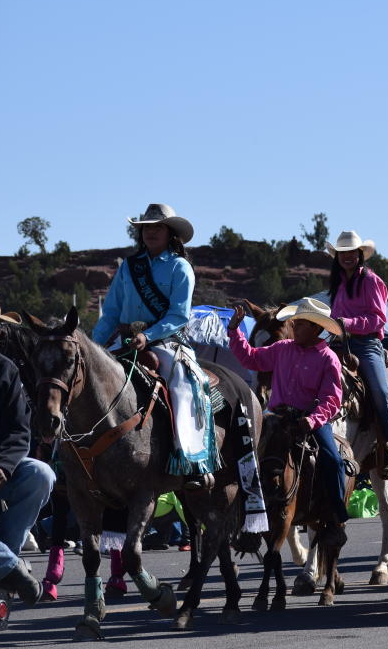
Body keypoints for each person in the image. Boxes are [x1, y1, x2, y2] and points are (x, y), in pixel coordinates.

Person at [91, 204, 216, 487]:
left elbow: (178, 314)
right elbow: (111, 313)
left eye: (157, 226)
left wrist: (148, 336)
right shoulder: (129, 268)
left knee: (185, 386)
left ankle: (191, 459)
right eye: (147, 227)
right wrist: (92, 346)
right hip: (125, 342)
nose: (151, 232)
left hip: (166, 342)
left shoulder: (180, 267)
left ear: (170, 233)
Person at [228, 298, 349, 523]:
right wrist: (234, 331)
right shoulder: (282, 348)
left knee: (333, 459)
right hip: (276, 417)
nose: (293, 327)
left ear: (316, 328)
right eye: (294, 323)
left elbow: (332, 399)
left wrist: (312, 420)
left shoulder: (328, 358)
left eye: (300, 324)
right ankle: (238, 508)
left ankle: (335, 513)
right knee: (242, 449)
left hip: (309, 419)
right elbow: (251, 358)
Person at [0, 291, 56, 604]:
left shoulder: (5, 369)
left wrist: (3, 465)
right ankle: (8, 569)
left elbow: (19, 430)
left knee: (42, 474)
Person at [325, 230, 388, 481]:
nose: (347, 257)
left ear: (360, 255)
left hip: (367, 345)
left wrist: (346, 323)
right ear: (337, 256)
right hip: (340, 344)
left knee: (381, 395)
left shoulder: (371, 280)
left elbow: (378, 318)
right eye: (342, 253)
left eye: (351, 252)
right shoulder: (337, 283)